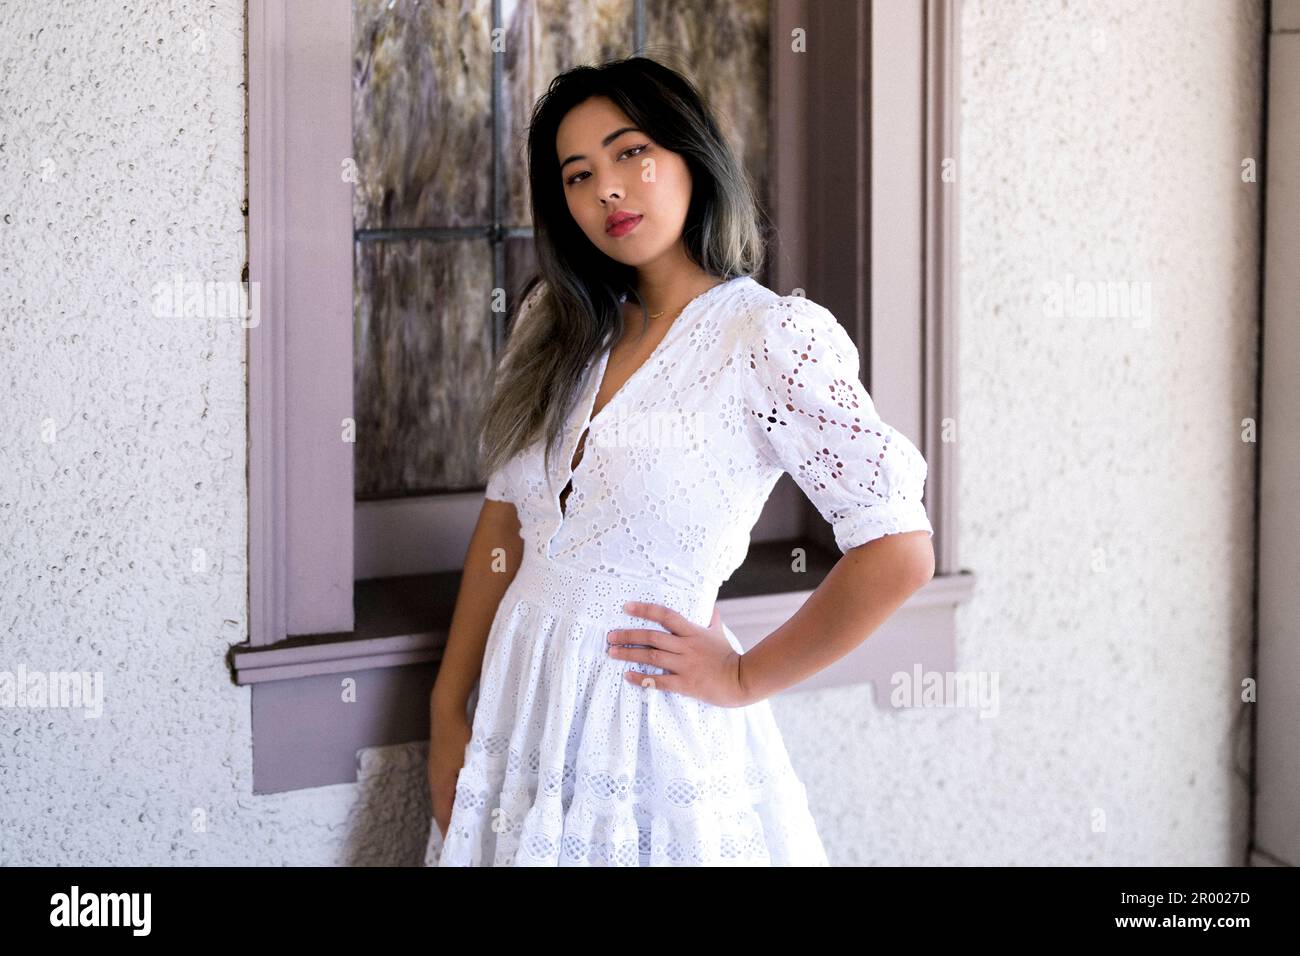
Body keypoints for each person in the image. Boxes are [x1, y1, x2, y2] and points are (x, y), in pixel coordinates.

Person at [425, 56, 935, 866]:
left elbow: (899, 548)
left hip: (646, 734)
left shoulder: (767, 339)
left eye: (632, 153)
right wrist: (448, 710)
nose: (608, 191)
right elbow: (506, 522)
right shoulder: (553, 326)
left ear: (692, 154)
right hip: (519, 711)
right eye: (579, 174)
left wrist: (743, 678)